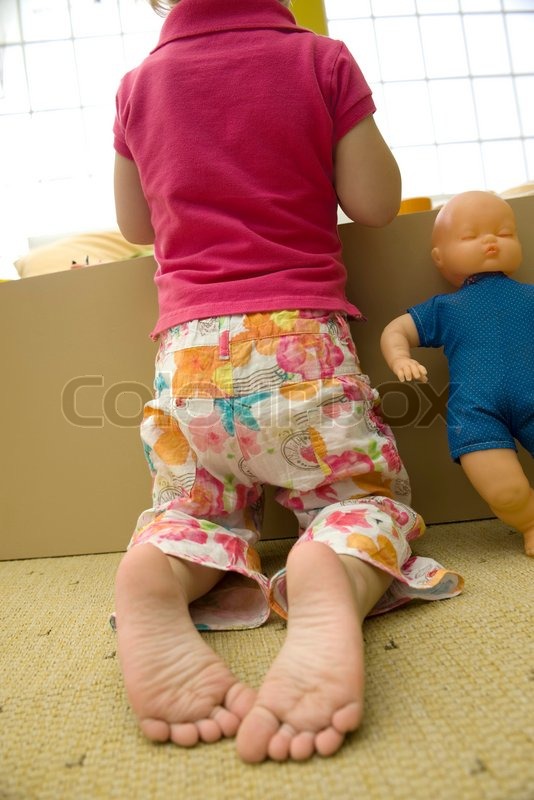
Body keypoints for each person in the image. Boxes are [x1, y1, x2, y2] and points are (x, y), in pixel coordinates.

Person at [112, 0, 463, 763]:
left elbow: (137, 227)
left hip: (189, 358)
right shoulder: (319, 59)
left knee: (195, 510)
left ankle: (159, 567)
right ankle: (325, 568)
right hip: (299, 347)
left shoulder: (138, 84)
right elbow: (372, 205)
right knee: (360, 505)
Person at [381, 190, 534, 558]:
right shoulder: (444, 308)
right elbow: (395, 330)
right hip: (476, 414)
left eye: (504, 232)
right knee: (504, 491)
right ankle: (530, 523)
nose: (491, 241)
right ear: (439, 256)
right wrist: (400, 358)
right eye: (471, 235)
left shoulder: (529, 296)